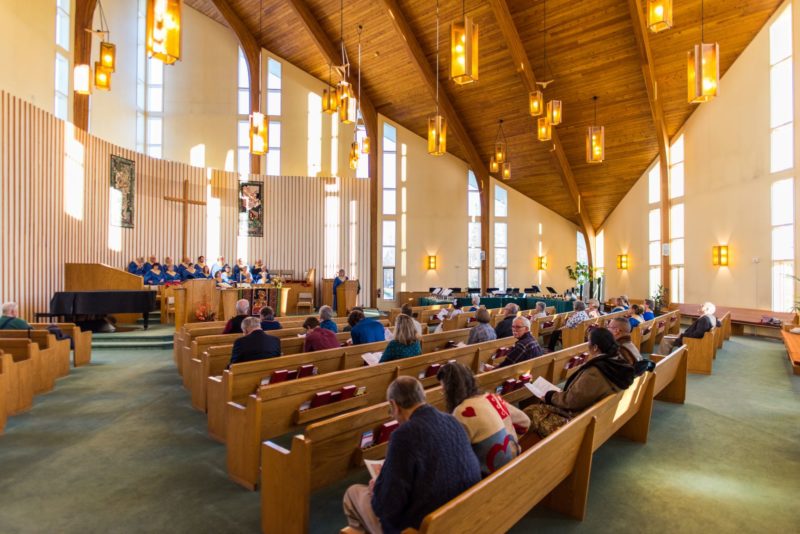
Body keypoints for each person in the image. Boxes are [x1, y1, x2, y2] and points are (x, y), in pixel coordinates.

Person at [342, 377, 481, 533]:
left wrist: (377, 492)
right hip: (459, 515)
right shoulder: (452, 421)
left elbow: (387, 507)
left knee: (353, 493)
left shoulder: (404, 435)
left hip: (421, 527)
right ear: (422, 397)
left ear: (394, 405)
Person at [524, 327, 635, 438]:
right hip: (601, 414)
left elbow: (571, 401)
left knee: (530, 412)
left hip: (580, 421)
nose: (587, 344)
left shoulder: (595, 372)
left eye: (588, 341)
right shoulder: (618, 362)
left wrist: (550, 396)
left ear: (595, 347)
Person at [437, 362, 530, 476]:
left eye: (443, 390)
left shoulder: (460, 412)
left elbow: (456, 456)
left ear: (450, 392)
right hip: (515, 461)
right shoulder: (491, 398)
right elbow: (525, 422)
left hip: (490, 476)